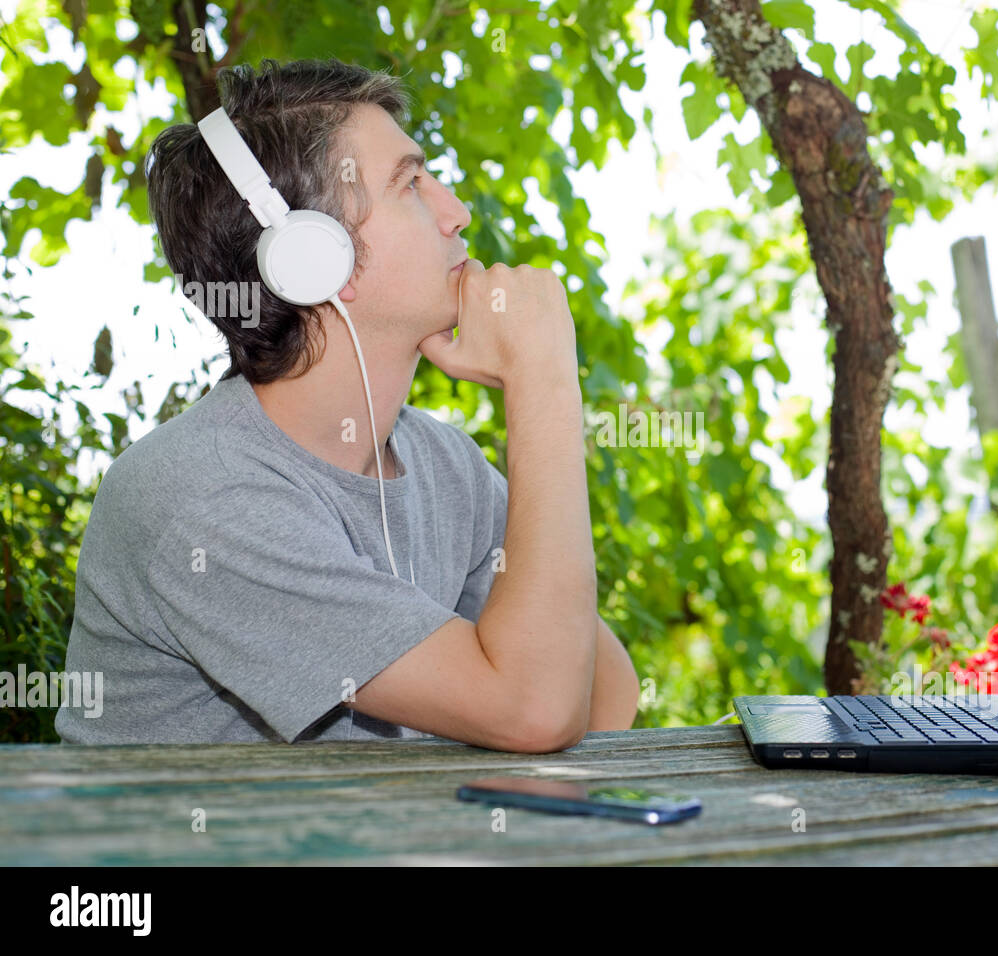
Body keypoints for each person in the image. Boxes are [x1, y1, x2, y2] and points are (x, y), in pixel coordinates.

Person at [57, 58, 639, 748]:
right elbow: (535, 709)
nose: (456, 212)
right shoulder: (207, 498)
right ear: (313, 256)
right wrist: (543, 382)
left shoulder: (443, 463)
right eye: (412, 184)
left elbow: (603, 695)